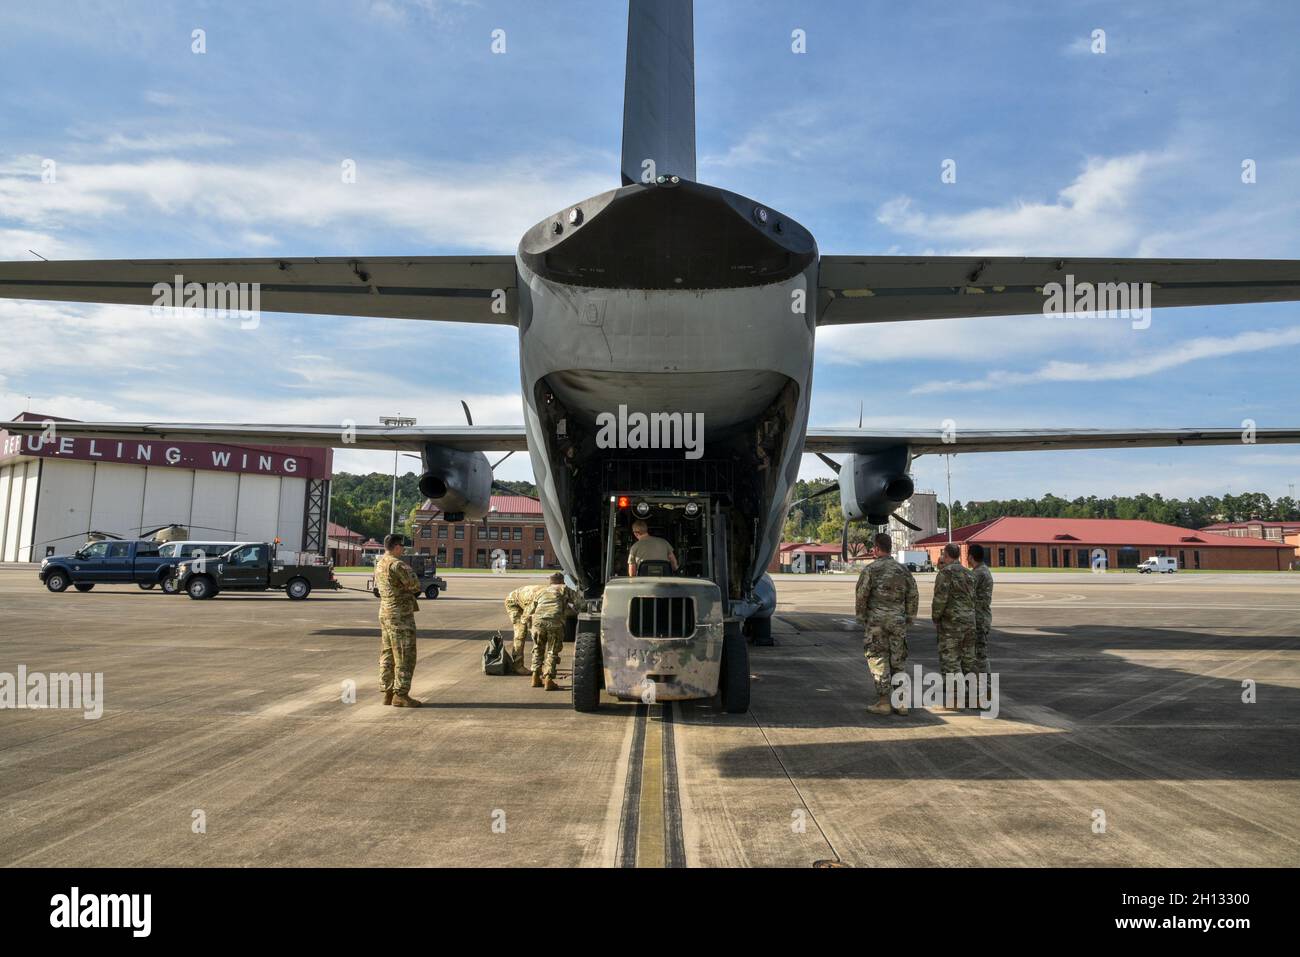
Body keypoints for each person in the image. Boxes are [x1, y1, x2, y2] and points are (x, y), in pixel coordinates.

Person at [855, 532, 919, 716]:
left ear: (876, 548)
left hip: (876, 622)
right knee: (898, 660)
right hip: (897, 621)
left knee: (878, 658)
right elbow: (913, 594)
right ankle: (901, 703)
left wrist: (861, 617)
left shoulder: (871, 569)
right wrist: (910, 617)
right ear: (890, 548)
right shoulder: (903, 570)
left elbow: (861, 595)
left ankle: (883, 702)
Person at [375, 533, 423, 707]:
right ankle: (401, 694)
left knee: (388, 653)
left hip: (385, 612)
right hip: (400, 615)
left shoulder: (380, 563)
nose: (403, 549)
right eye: (402, 546)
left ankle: (387, 692)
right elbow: (415, 585)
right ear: (396, 547)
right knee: (405, 654)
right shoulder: (397, 564)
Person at [931, 542, 976, 708]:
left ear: (947, 555)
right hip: (969, 621)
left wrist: (936, 617)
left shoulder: (945, 573)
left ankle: (956, 699)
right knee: (968, 660)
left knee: (951, 661)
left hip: (952, 623)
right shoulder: (969, 574)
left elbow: (940, 599)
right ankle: (974, 696)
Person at [529, 573, 576, 690]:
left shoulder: (541, 591)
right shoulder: (564, 589)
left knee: (537, 648)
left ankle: (535, 677)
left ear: (550, 582)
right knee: (552, 651)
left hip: (538, 622)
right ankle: (548, 680)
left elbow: (530, 609)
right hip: (554, 622)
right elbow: (580, 603)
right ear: (562, 581)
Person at [504, 582, 545, 675]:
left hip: (525, 601)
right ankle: (517, 666)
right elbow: (527, 614)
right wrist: (531, 627)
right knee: (520, 633)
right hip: (513, 602)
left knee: (537, 633)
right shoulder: (538, 597)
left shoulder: (553, 592)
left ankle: (537, 665)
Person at [966, 543, 994, 678]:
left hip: (979, 619)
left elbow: (965, 592)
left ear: (971, 557)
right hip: (982, 617)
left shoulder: (978, 573)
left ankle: (985, 682)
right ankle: (978, 681)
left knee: (980, 654)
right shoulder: (983, 570)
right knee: (977, 653)